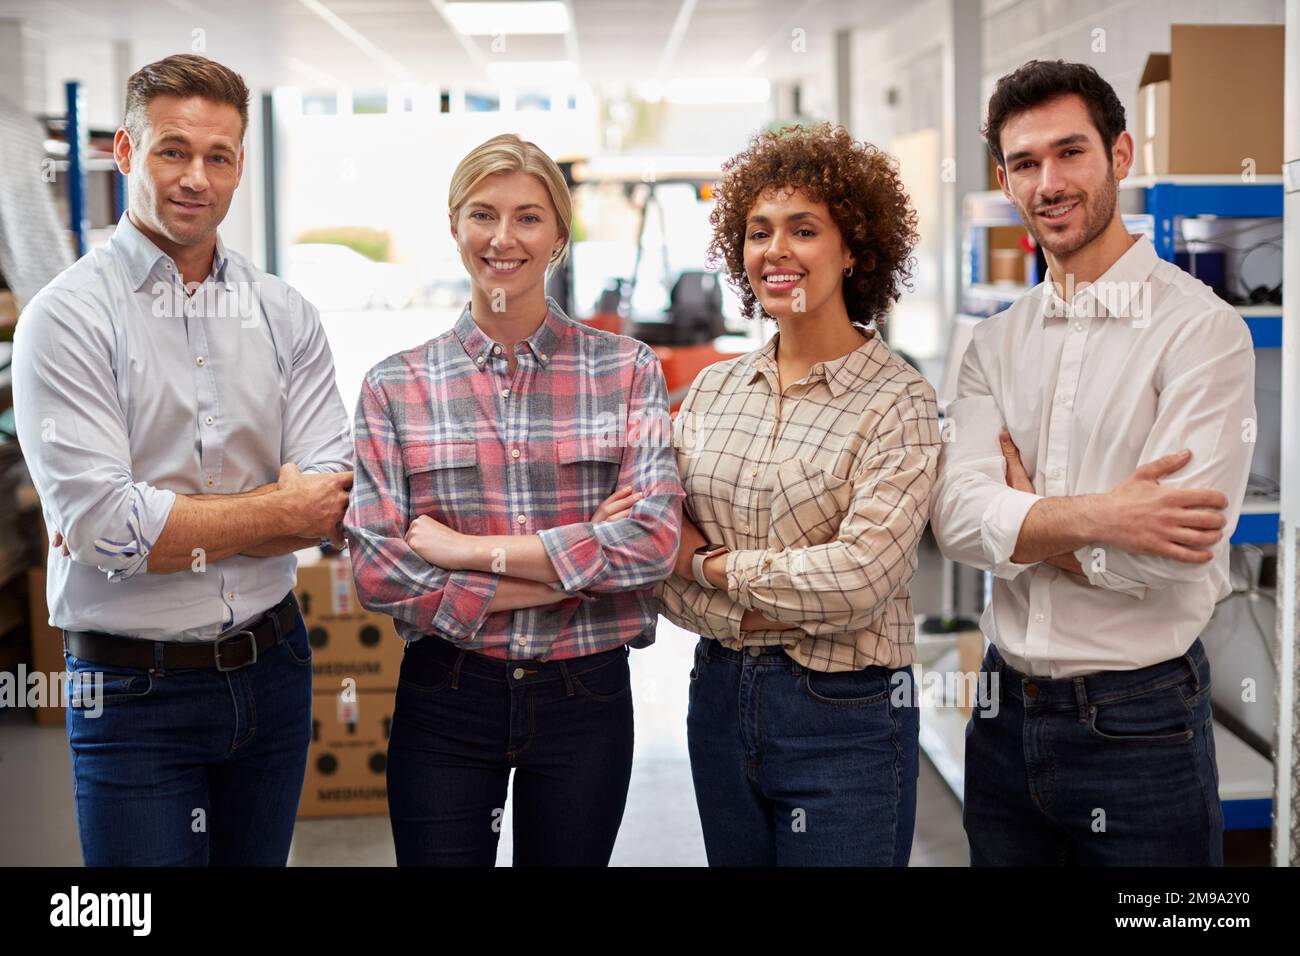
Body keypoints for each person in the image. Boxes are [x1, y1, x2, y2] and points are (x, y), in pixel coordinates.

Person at [11, 54, 353, 866]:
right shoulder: (65, 322)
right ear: (126, 152)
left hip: (274, 668)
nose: (195, 177)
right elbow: (105, 532)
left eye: (219, 156)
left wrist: (159, 520)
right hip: (132, 693)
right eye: (173, 150)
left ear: (240, 166)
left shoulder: (284, 314)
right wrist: (278, 510)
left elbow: (331, 498)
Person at [930, 60, 1255, 866]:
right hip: (1003, 718)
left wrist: (1029, 518)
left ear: (1120, 155)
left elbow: (1172, 563)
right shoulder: (992, 344)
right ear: (1006, 181)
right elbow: (959, 524)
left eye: (1071, 152)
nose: (1050, 181)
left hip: (1141, 722)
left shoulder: (1201, 333)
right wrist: (1107, 516)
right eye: (1027, 163)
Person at [345, 133, 683, 867]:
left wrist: (463, 555)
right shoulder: (393, 387)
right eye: (483, 214)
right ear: (455, 225)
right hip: (447, 694)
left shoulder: (626, 371)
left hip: (584, 696)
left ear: (560, 235)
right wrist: (576, 559)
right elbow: (377, 571)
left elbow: (653, 544)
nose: (504, 238)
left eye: (529, 217)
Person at [656, 123, 940, 866]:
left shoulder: (899, 402)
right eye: (758, 231)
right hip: (719, 699)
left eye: (803, 229)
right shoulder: (714, 391)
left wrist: (711, 569)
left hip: (845, 715)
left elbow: (860, 579)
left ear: (853, 250)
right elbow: (655, 550)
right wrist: (712, 577)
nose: (775, 250)